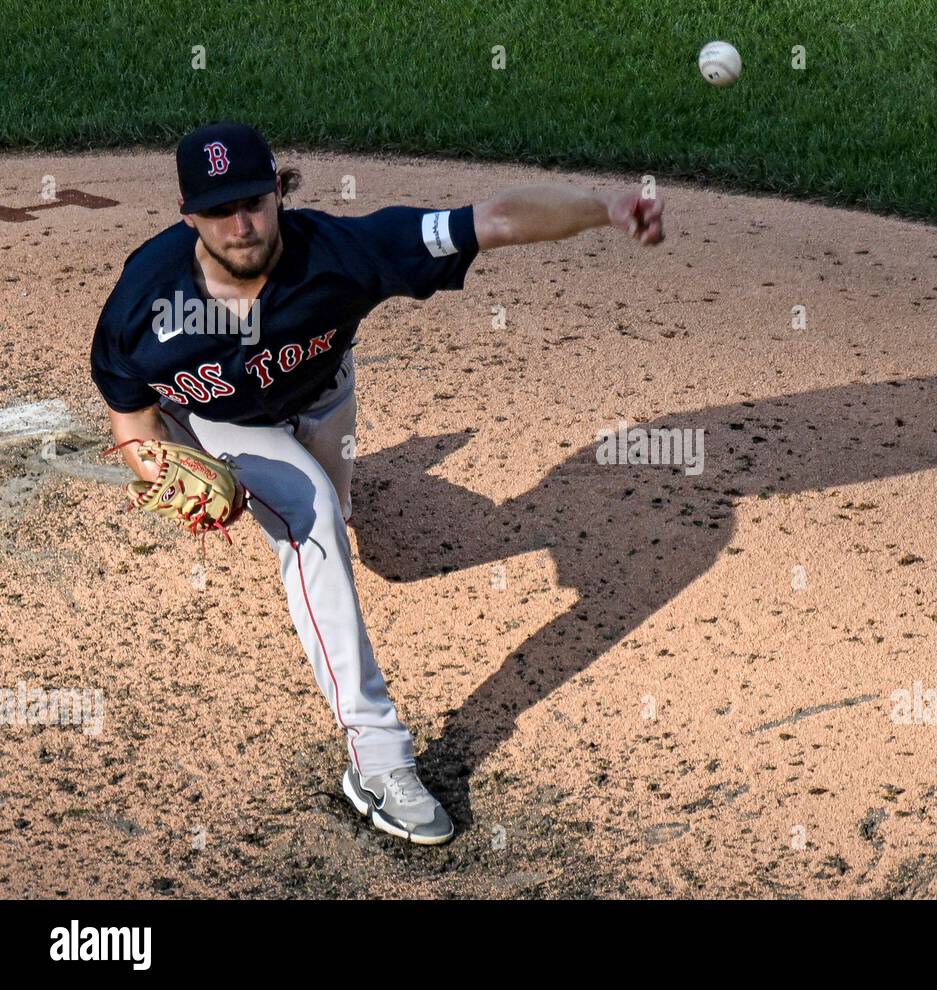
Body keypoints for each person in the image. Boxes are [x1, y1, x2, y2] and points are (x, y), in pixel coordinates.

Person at [89, 121, 665, 844]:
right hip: (219, 425)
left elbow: (489, 221)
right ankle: (377, 759)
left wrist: (602, 208)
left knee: (372, 540)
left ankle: (344, 494)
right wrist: (164, 469)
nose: (240, 225)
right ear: (186, 216)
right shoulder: (141, 305)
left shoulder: (344, 253)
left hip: (324, 401)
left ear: (278, 192)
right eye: (217, 211)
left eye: (254, 202)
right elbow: (130, 423)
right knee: (314, 522)